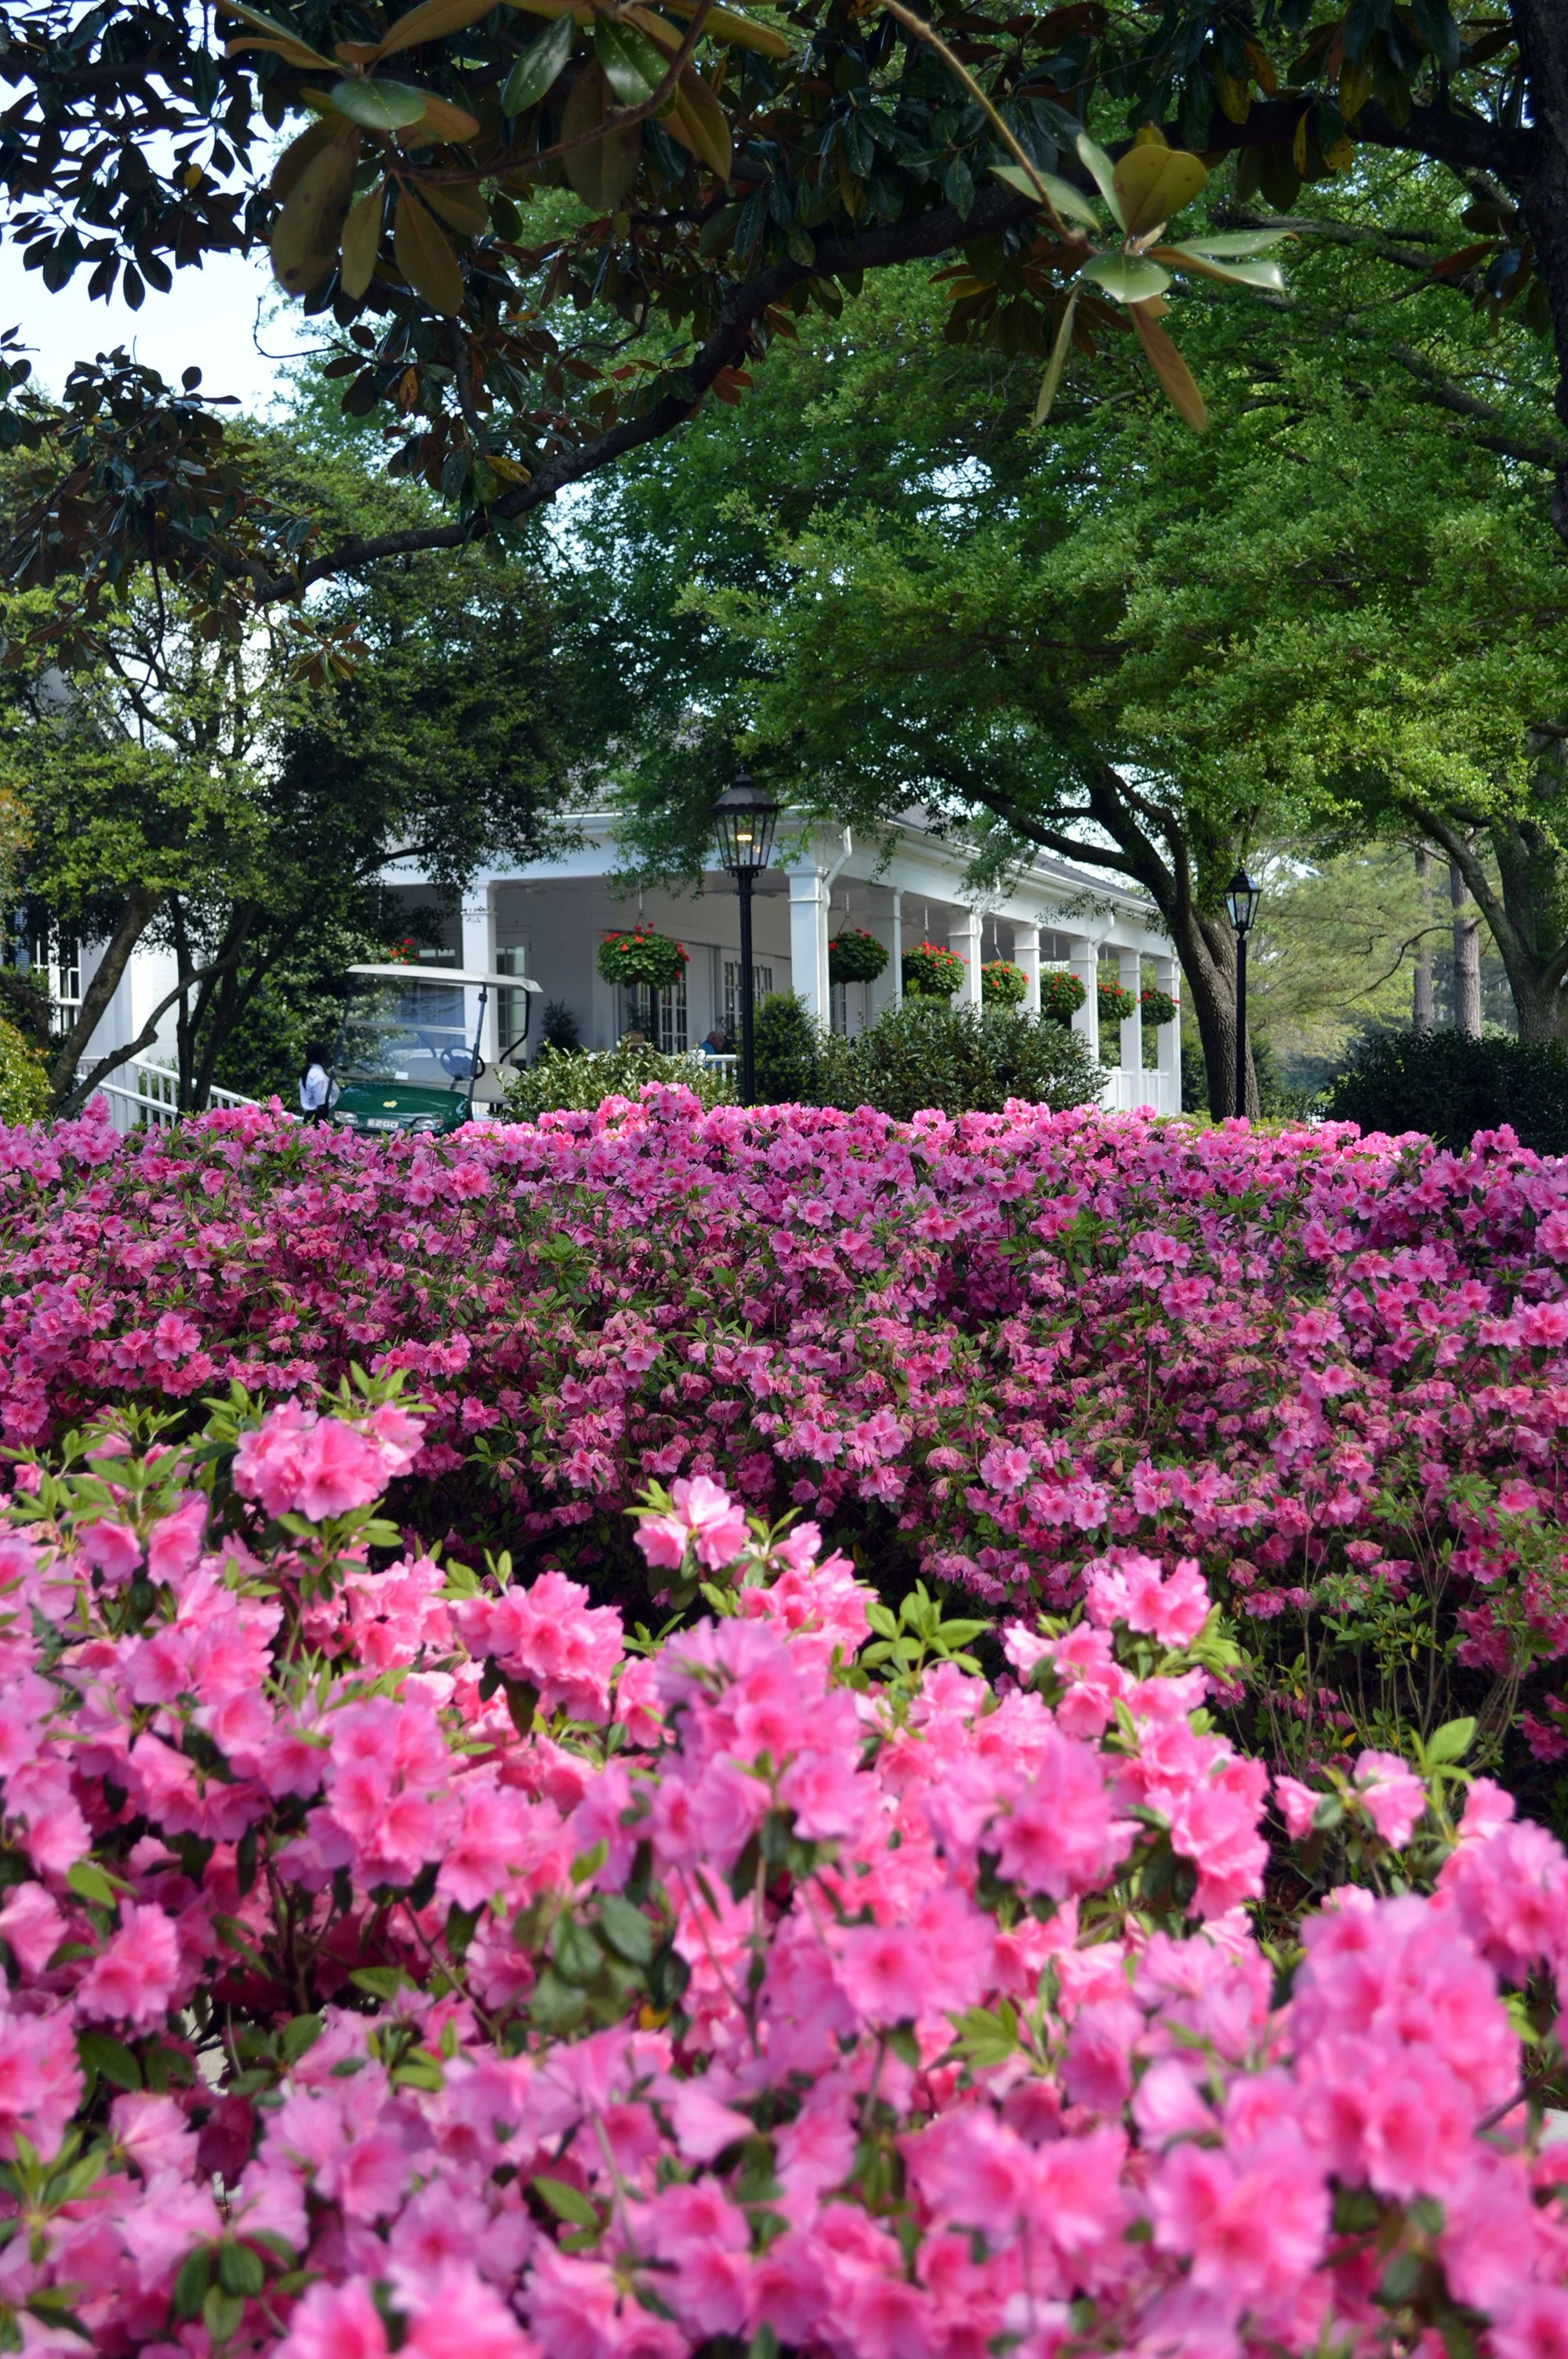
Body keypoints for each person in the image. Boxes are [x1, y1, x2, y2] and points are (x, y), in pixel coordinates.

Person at [299, 1042, 332, 1120]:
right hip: (317, 1118)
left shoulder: (309, 1071)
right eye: (326, 1053)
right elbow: (321, 1104)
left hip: (309, 1116)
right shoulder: (318, 1075)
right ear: (322, 1057)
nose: (329, 1056)